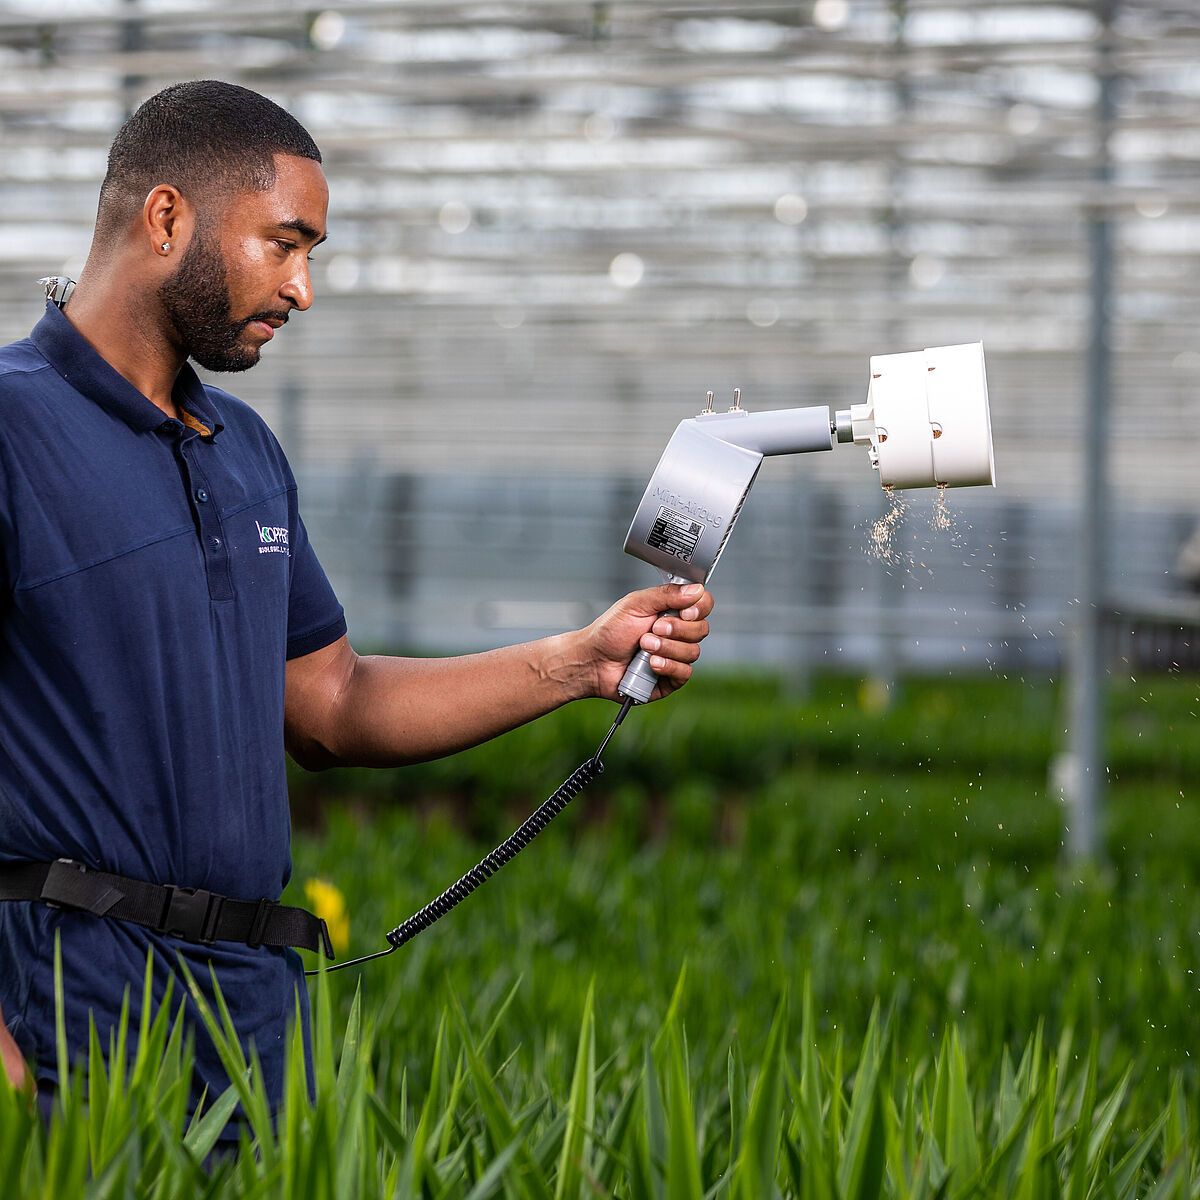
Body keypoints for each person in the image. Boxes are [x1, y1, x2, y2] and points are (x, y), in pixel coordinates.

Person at [0, 81, 713, 1127]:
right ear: (166, 218)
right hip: (67, 1007)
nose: (302, 289)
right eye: (283, 244)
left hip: (254, 1020)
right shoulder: (14, 426)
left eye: (312, 255)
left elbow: (332, 704)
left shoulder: (243, 450)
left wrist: (581, 662)